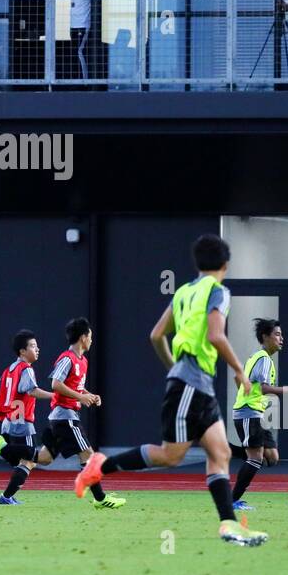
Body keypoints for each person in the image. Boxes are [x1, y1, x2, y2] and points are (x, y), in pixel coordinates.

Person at [74, 234, 267, 546]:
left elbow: (156, 335)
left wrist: (173, 368)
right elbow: (217, 336)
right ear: (225, 265)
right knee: (170, 456)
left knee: (221, 452)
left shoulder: (184, 292)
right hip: (192, 383)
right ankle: (100, 465)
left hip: (194, 383)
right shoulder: (218, 291)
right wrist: (240, 370)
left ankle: (229, 525)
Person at [0, 317, 126, 508]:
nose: (91, 339)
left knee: (44, 459)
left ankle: (5, 480)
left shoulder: (82, 361)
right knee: (88, 454)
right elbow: (56, 384)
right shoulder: (67, 358)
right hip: (64, 416)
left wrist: (90, 395)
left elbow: (74, 386)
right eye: (90, 335)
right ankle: (100, 499)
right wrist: (79, 398)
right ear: (83, 337)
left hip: (55, 417)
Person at [228, 317, 288, 510]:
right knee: (255, 459)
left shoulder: (263, 359)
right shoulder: (262, 359)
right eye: (277, 335)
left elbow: (238, 379)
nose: (282, 339)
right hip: (248, 413)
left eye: (282, 335)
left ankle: (229, 450)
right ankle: (231, 500)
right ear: (265, 337)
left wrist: (245, 389)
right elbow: (263, 388)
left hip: (256, 413)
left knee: (271, 457)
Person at [0, 330, 55, 504]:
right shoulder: (26, 369)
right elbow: (32, 391)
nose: (37, 349)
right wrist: (55, 396)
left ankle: (6, 496)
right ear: (22, 351)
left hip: (8, 423)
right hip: (22, 424)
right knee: (31, 461)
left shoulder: (10, 369)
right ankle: (1, 451)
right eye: (33, 346)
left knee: (25, 462)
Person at [67, 0, 98, 84]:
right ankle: (76, 78)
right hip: (73, 23)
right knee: (74, 53)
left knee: (80, 52)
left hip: (83, 23)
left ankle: (83, 82)